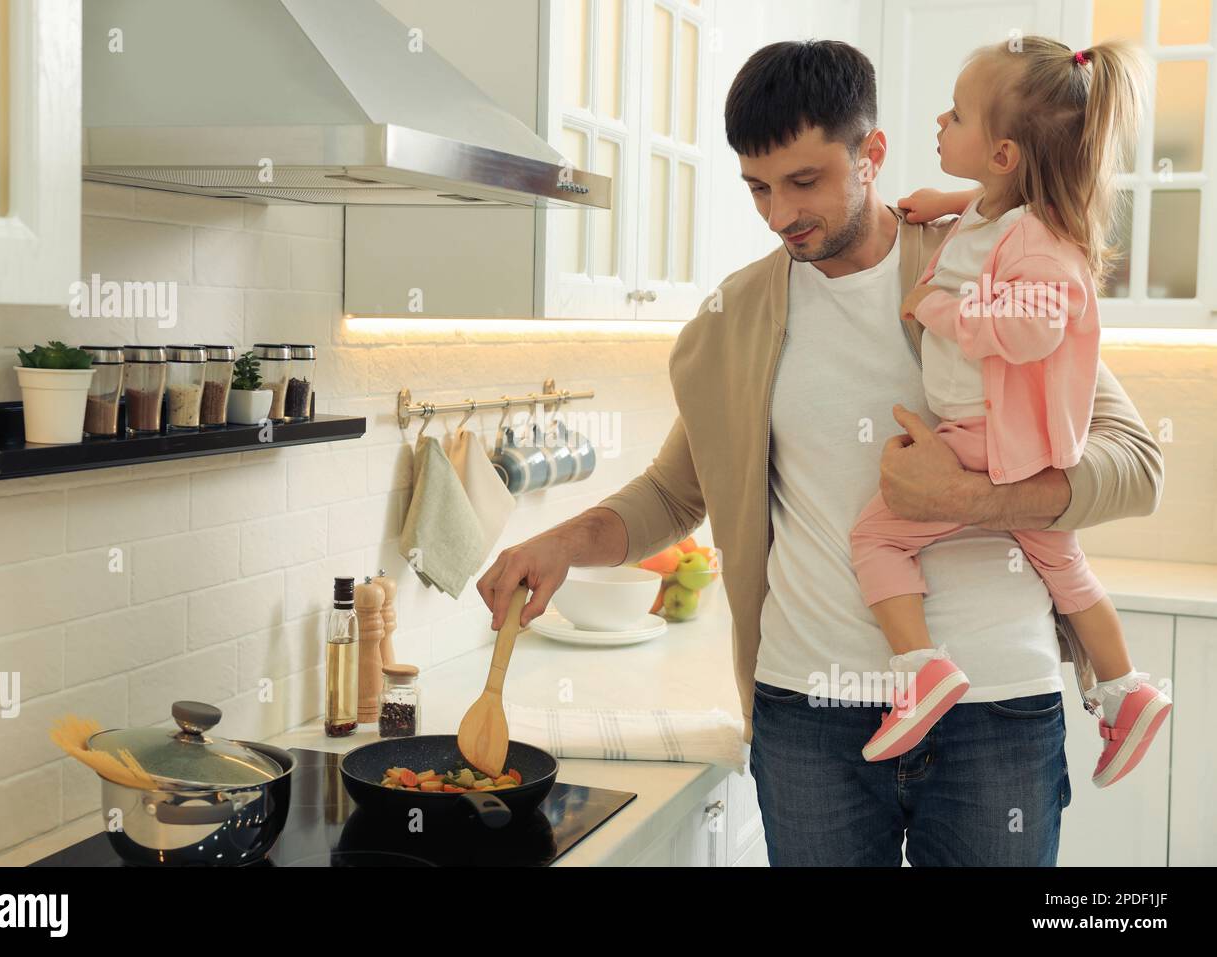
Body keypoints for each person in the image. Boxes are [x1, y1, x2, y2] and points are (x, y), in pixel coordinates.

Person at [477, 39, 1163, 866]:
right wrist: (561, 543)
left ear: (871, 154)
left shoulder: (982, 256)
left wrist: (967, 497)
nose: (779, 215)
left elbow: (1133, 463)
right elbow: (671, 492)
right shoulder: (731, 320)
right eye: (758, 188)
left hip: (994, 706)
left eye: (805, 182)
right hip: (808, 715)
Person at [848, 37, 1172, 788]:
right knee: (1063, 563)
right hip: (1011, 440)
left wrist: (939, 308)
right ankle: (1125, 689)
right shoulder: (1004, 209)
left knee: (876, 536)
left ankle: (921, 670)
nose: (940, 119)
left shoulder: (1043, 245)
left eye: (956, 115)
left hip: (987, 439)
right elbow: (1001, 214)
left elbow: (1032, 325)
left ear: (1000, 154)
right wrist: (949, 202)